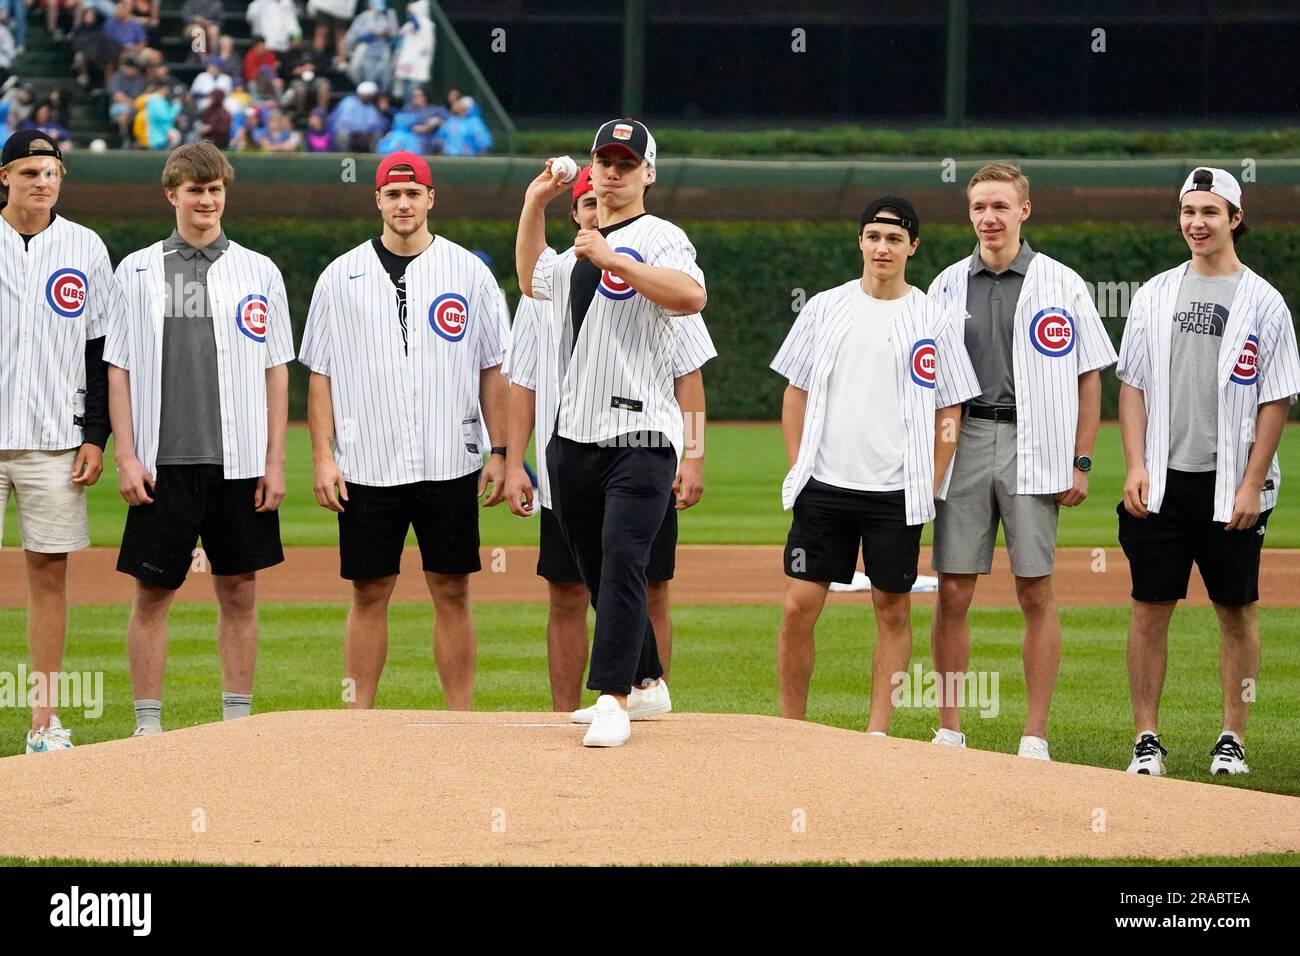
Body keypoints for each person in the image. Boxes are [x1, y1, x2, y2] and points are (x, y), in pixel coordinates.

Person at [511, 119, 707, 747]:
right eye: (605, 161)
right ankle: (648, 682)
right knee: (597, 571)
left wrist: (614, 257)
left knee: (626, 557)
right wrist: (533, 204)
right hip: (572, 434)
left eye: (627, 162)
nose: (614, 172)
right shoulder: (574, 253)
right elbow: (528, 278)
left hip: (643, 433)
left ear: (648, 172)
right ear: (591, 169)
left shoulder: (661, 236)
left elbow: (689, 296)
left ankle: (613, 699)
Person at [299, 150, 509, 711]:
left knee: (453, 588)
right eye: (392, 194)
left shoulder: (469, 271)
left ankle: (460, 715)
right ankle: (357, 715)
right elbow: (320, 375)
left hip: (451, 458)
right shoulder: (340, 276)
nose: (403, 203)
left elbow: (495, 368)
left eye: (413, 193)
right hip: (368, 460)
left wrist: (503, 451)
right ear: (377, 200)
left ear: (431, 198)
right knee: (369, 590)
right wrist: (323, 457)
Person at [926, 162, 1117, 760]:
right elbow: (925, 379)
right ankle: (950, 726)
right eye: (980, 206)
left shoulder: (1062, 283)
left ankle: (1034, 733)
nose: (989, 217)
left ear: (1024, 211)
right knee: (953, 591)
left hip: (1037, 445)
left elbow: (1091, 377)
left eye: (1000, 206)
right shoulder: (946, 285)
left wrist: (1082, 461)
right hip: (965, 438)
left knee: (1035, 589)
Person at [104, 142, 294, 736]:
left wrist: (275, 460)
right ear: (172, 194)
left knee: (239, 591)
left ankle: (236, 722)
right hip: (165, 462)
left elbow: (276, 367)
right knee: (153, 592)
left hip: (238, 462)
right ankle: (147, 726)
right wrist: (127, 455)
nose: (206, 200)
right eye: (194, 190)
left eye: (214, 190)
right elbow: (118, 366)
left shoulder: (259, 270)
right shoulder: (135, 270)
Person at [1117, 167, 1300, 777]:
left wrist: (1253, 481)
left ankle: (1232, 736)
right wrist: (1136, 465)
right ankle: (1147, 737)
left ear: (1235, 219)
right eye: (1189, 211)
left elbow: (1277, 398)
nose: (1197, 223)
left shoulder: (1264, 301)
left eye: (1210, 212)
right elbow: (1133, 385)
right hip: (1164, 481)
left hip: (1232, 485)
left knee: (1237, 609)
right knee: (1149, 606)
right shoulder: (1154, 294)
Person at [772, 197, 980, 732]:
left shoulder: (933, 316)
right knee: (799, 606)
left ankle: (877, 733)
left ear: (913, 246)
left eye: (893, 239)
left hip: (895, 493)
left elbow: (949, 406)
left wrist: (930, 479)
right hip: (826, 486)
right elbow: (794, 392)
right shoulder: (824, 306)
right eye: (872, 237)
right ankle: (790, 725)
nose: (881, 247)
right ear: (860, 242)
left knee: (893, 610)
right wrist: (800, 467)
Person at [1, 130, 119, 753]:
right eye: (29, 173)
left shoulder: (85, 247)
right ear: (5, 179)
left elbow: (100, 351)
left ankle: (43, 723)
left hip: (54, 436)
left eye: (51, 173)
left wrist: (94, 435)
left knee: (49, 576)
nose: (42, 182)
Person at [343, 0, 397, 89]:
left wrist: (387, 34)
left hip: (383, 54)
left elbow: (393, 38)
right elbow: (354, 38)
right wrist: (373, 34)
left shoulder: (386, 18)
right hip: (366, 53)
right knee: (367, 81)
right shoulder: (363, 18)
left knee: (384, 81)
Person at [390, 0, 433, 103]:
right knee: (398, 92)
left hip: (417, 65)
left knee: (412, 92)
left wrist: (412, 12)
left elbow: (417, 25)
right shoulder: (407, 25)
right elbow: (398, 39)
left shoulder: (426, 24)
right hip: (404, 62)